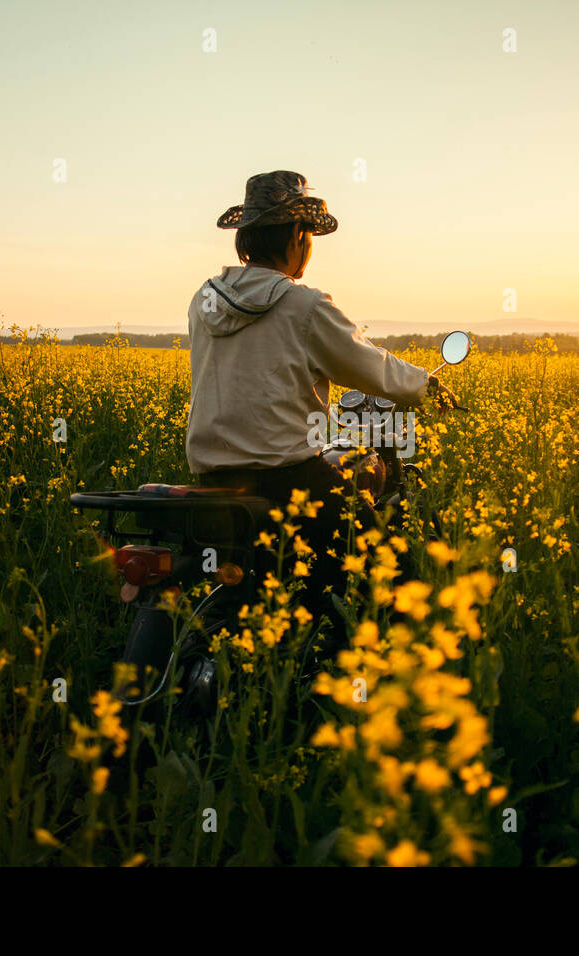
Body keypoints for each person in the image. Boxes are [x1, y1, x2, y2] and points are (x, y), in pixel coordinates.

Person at [185, 170, 452, 652]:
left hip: (211, 482)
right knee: (387, 567)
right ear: (294, 236)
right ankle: (392, 668)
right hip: (287, 480)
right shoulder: (302, 305)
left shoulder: (204, 300)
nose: (308, 245)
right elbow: (367, 363)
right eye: (306, 235)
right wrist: (425, 385)